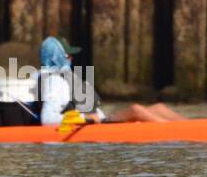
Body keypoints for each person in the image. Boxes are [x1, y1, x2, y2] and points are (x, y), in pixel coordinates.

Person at [36, 36, 187, 125]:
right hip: (94, 125)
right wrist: (85, 118)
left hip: (99, 120)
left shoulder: (58, 76)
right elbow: (47, 118)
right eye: (67, 55)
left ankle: (195, 126)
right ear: (56, 57)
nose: (71, 58)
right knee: (136, 110)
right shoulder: (53, 80)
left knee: (160, 107)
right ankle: (180, 133)